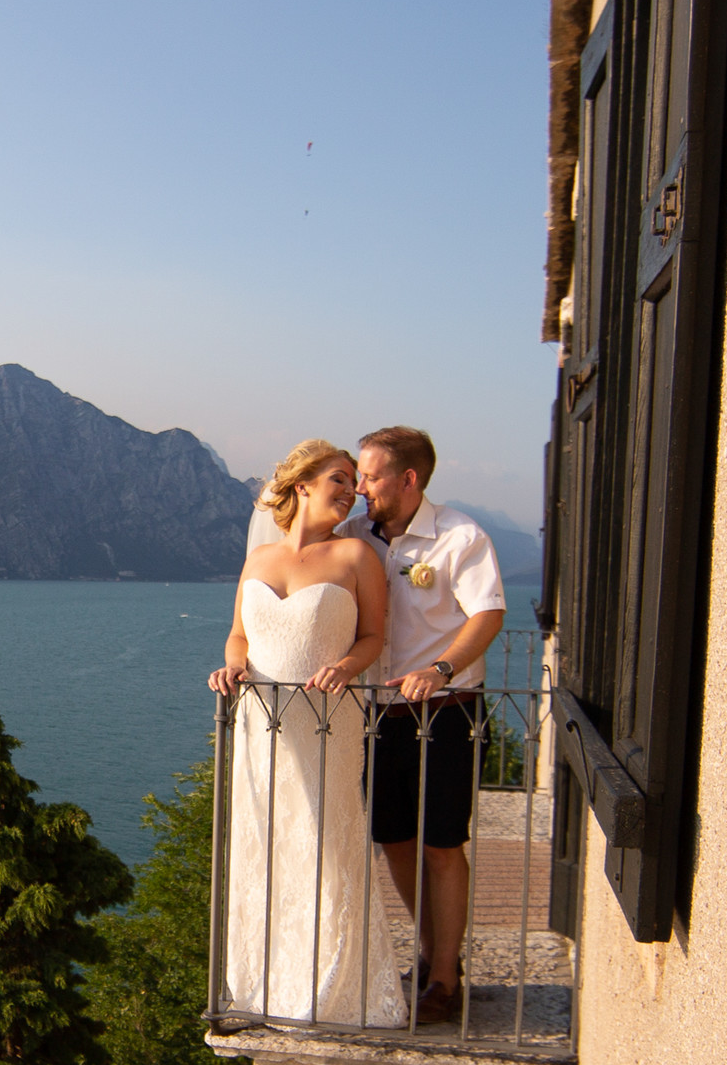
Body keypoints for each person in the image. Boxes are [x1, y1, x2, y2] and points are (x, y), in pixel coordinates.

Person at [208, 439, 407, 1027]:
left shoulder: (356, 557)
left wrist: (345, 668)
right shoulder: (259, 562)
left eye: (354, 483)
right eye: (339, 480)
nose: (352, 492)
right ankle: (265, 983)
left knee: (326, 840)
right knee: (265, 842)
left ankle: (335, 987)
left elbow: (374, 635)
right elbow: (240, 635)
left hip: (326, 719)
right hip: (260, 722)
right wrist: (233, 666)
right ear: (302, 487)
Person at [341, 426, 506, 1026]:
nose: (360, 488)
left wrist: (440, 669)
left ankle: (442, 977)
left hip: (448, 713)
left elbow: (487, 614)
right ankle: (435, 949)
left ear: (408, 480)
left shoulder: (459, 536)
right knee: (393, 839)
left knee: (441, 845)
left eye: (371, 476)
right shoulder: (355, 534)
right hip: (381, 715)